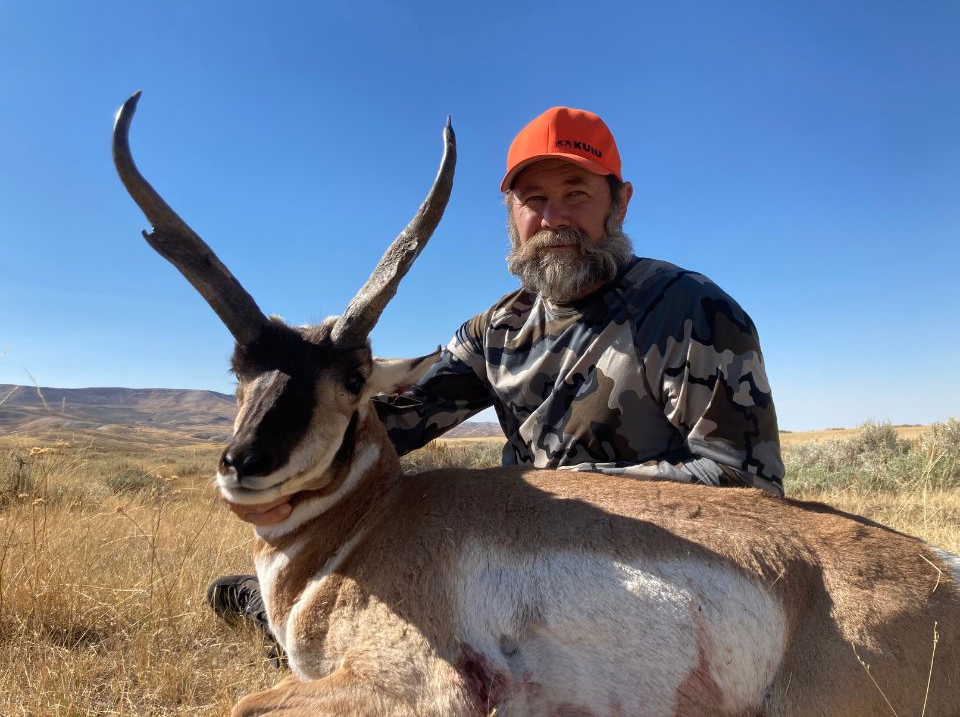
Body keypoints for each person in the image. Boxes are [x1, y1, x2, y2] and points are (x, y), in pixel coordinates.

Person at [207, 106, 784, 639]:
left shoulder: (691, 311)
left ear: (621, 202)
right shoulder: (495, 332)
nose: (554, 218)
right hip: (516, 555)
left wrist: (550, 501)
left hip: (651, 570)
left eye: (577, 192)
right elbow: (378, 423)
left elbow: (746, 487)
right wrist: (271, 469)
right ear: (510, 212)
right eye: (534, 198)